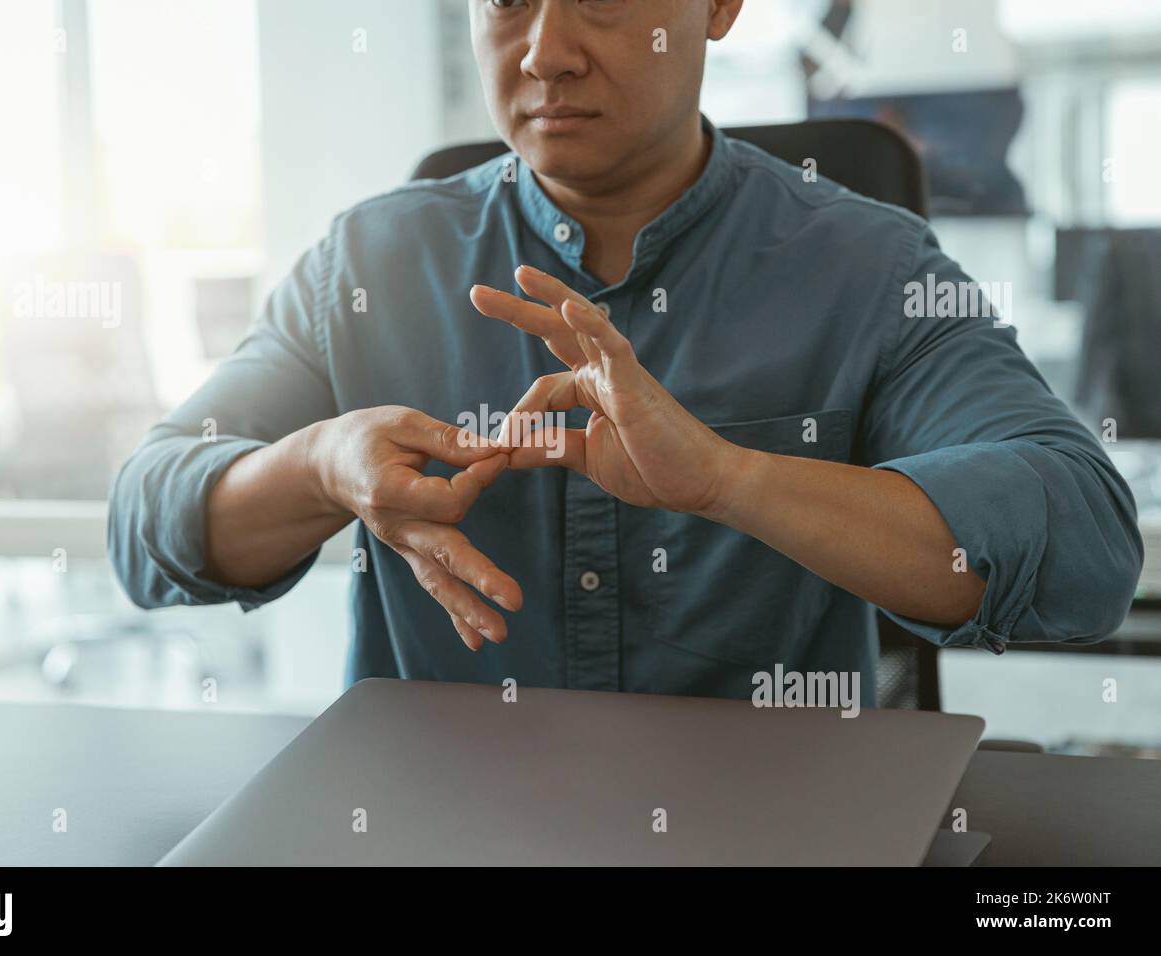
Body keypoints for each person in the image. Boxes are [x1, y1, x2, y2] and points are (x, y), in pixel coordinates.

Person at [108, 0, 1142, 706]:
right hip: (438, 825)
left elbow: (1083, 540)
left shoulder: (867, 267)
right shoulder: (368, 261)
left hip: (769, 824)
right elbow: (145, 521)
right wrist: (314, 467)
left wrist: (733, 480)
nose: (544, 51)